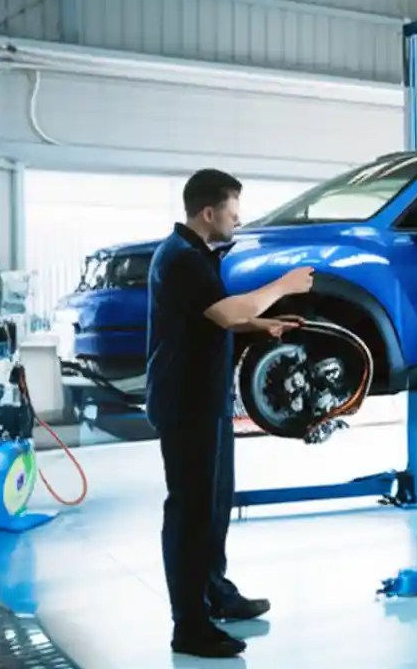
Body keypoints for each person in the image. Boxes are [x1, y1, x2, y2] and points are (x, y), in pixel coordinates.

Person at [147, 168, 314, 658]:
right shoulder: (180, 258)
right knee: (191, 510)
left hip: (206, 400)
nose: (236, 223)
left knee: (216, 504)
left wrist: (264, 323)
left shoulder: (195, 254)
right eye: (233, 215)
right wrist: (283, 286)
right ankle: (189, 624)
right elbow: (224, 314)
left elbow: (212, 314)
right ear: (208, 212)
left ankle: (214, 592)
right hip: (185, 404)